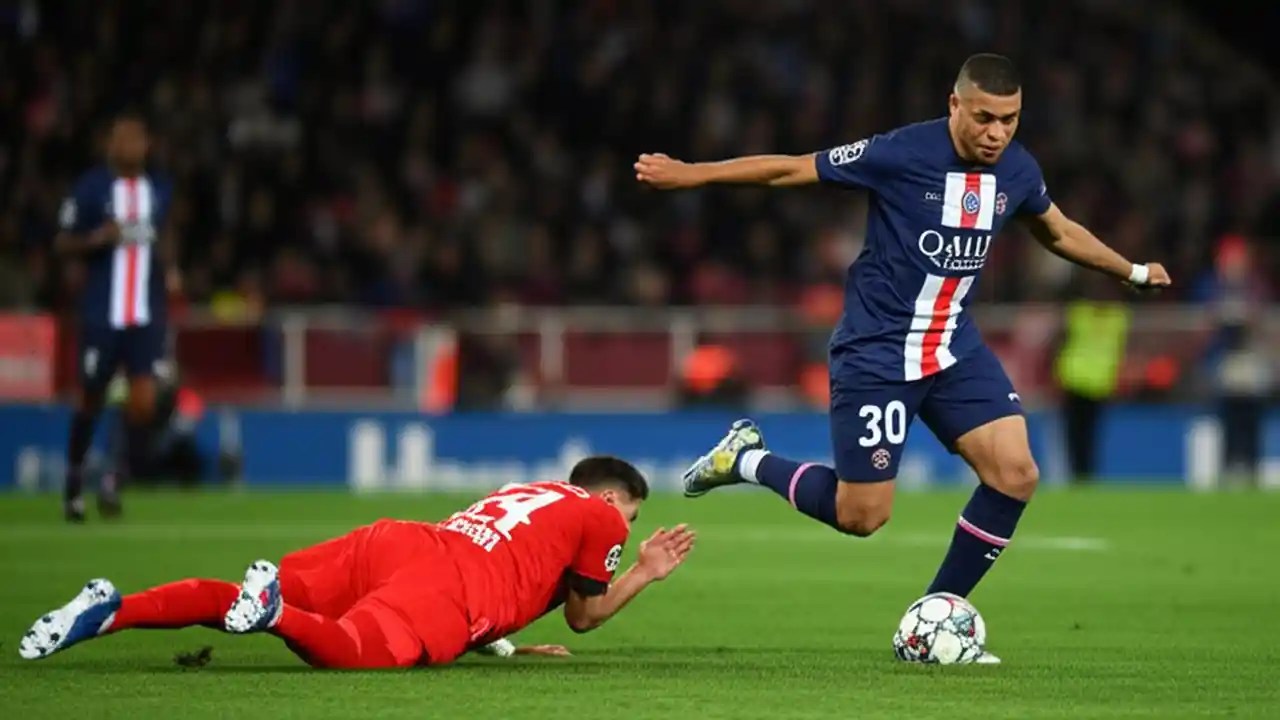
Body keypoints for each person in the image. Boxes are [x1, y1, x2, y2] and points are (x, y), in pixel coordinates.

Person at [635, 54, 1171, 661]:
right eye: (985, 118)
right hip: (878, 351)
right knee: (862, 516)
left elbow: (1058, 230)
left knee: (1016, 474)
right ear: (954, 105)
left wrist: (1129, 270)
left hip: (952, 347)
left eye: (1011, 120)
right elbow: (789, 170)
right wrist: (692, 174)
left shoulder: (1018, 170)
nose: (997, 133)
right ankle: (747, 458)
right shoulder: (898, 154)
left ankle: (930, 623)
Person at [19, 456, 695, 668]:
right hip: (444, 591)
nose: (624, 527)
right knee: (346, 650)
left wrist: (503, 645)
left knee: (239, 594)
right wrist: (644, 571)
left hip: (402, 543)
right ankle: (277, 614)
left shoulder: (527, 492)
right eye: (629, 513)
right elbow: (584, 615)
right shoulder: (601, 514)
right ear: (612, 497)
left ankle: (112, 610)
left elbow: (508, 564)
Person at [55, 110, 180, 522]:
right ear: (111, 144)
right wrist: (97, 238)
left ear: (146, 145)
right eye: (122, 138)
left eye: (137, 138)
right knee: (91, 396)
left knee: (144, 402)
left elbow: (166, 236)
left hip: (145, 313)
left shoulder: (158, 190)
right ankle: (74, 484)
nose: (130, 146)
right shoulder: (92, 188)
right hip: (101, 312)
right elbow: (62, 242)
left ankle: (112, 476)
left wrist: (172, 269)